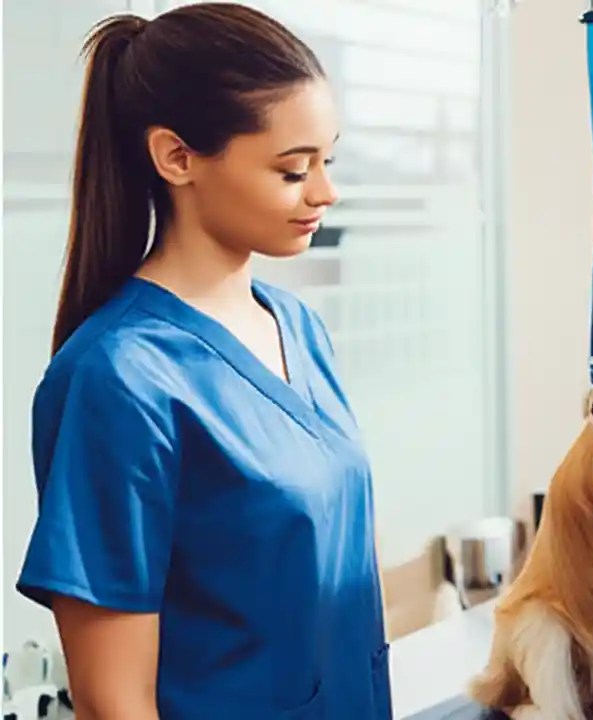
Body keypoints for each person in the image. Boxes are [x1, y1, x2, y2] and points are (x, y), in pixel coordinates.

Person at [15, 4, 391, 718]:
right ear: (177, 158)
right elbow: (113, 702)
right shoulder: (119, 379)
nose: (325, 193)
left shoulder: (300, 329)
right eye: (292, 170)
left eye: (327, 161)